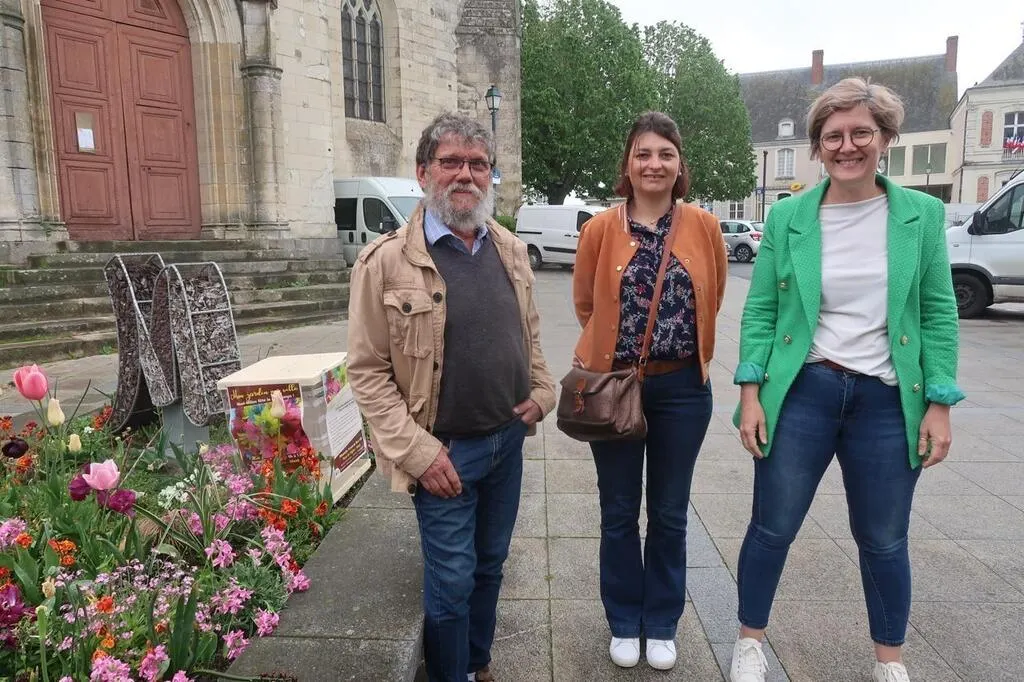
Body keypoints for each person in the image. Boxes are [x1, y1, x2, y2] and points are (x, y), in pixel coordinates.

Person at [728, 78, 965, 682]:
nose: (847, 145)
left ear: (885, 138)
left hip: (887, 398)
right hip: (803, 389)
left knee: (884, 539)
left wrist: (940, 402)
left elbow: (938, 311)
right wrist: (750, 391)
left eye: (861, 132)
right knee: (773, 525)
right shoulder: (788, 216)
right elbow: (760, 311)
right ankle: (750, 640)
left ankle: (890, 661)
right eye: (832, 135)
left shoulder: (921, 215)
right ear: (817, 147)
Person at [346, 111, 557, 682]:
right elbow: (366, 371)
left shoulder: (509, 249)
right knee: (452, 580)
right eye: (450, 162)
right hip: (442, 456)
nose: (465, 174)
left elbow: (529, 333)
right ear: (423, 172)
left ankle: (478, 664)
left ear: (491, 176)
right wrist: (416, 453)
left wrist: (543, 391)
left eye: (478, 164)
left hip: (506, 441)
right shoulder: (385, 261)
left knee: (491, 566)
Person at [572, 111, 728, 671]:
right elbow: (587, 306)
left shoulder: (706, 228)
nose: (654, 163)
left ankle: (660, 621)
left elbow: (713, 299)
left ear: (679, 163)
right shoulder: (598, 230)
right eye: (643, 153)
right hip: (614, 387)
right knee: (617, 510)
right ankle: (622, 618)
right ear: (628, 164)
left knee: (669, 512)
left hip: (683, 388)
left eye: (665, 153)